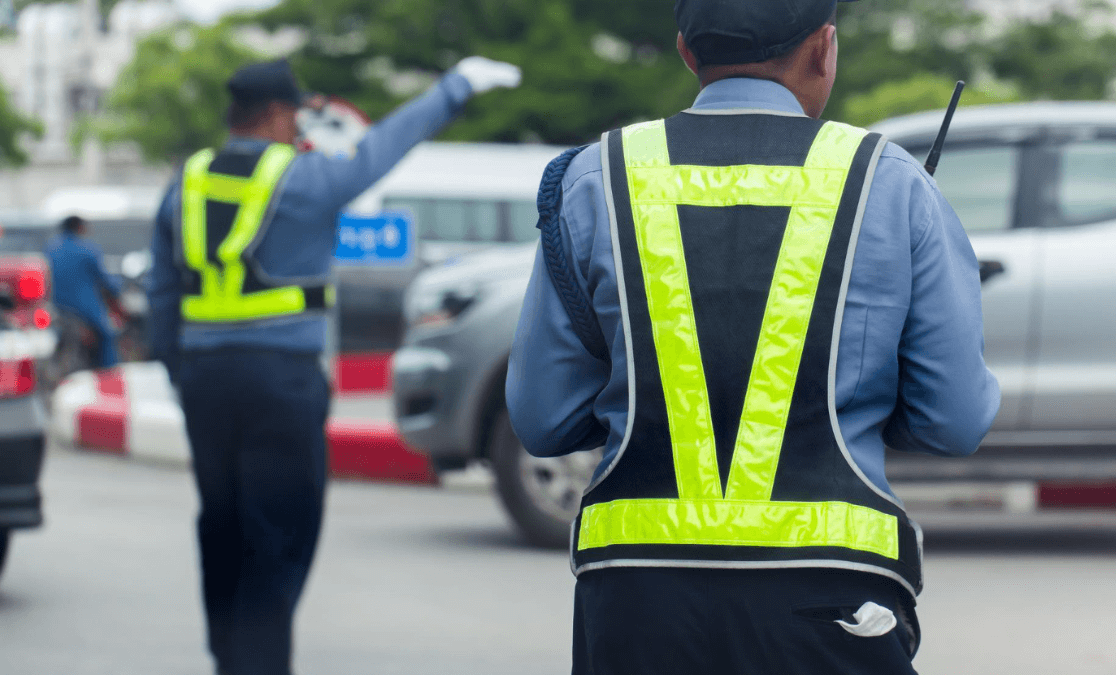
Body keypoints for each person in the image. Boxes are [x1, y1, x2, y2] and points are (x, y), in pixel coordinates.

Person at [506, 0, 1001, 673]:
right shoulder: (888, 182)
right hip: (831, 604)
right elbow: (955, 421)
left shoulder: (596, 178)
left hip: (635, 607)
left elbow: (543, 418)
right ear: (824, 49)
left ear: (687, 51)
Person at [147, 56, 521, 675]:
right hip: (280, 383)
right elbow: (384, 147)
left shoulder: (184, 182)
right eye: (292, 113)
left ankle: (231, 655)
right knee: (281, 535)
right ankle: (257, 663)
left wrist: (181, 373)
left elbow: (163, 295)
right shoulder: (304, 178)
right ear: (273, 114)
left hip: (207, 383)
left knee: (223, 523)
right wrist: (456, 87)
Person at [45, 215, 123, 369]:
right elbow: (105, 280)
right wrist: (118, 288)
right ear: (80, 227)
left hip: (58, 308)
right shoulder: (87, 249)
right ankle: (108, 373)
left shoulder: (51, 248)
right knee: (107, 335)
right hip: (84, 308)